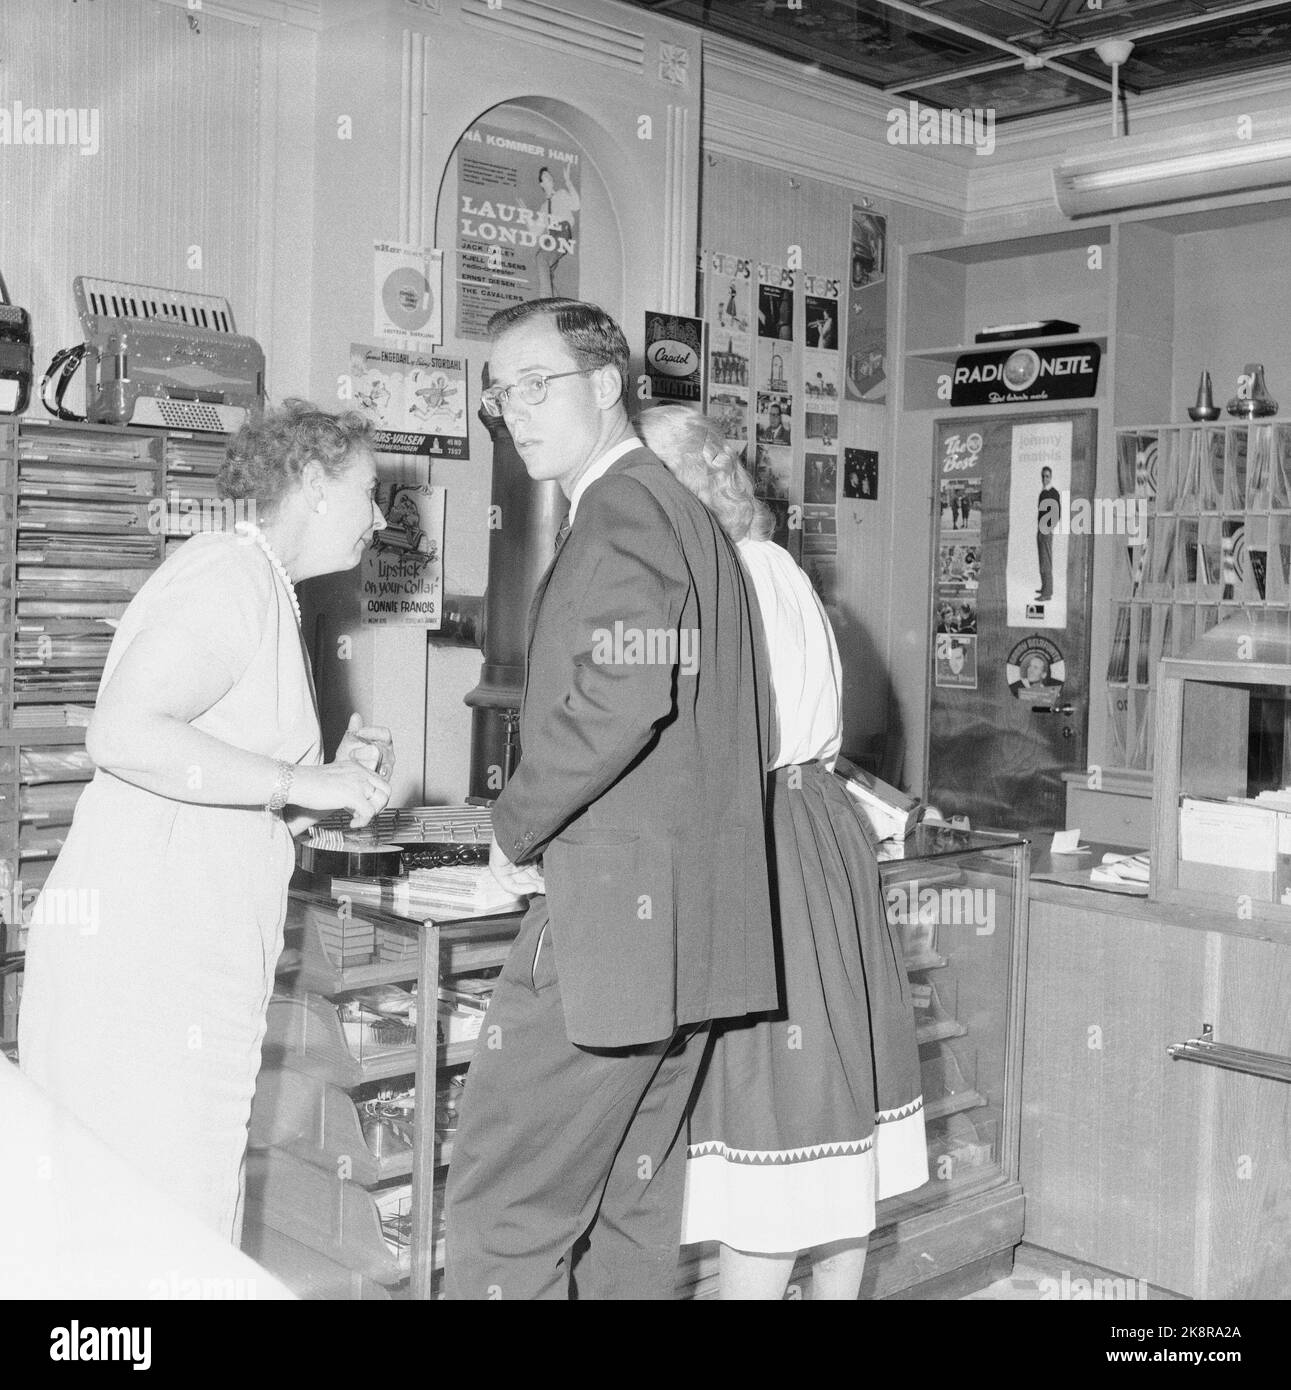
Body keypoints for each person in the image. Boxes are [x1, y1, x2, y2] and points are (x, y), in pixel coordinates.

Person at [444, 300, 777, 1301]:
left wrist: (512, 825)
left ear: (604, 383)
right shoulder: (676, 508)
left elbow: (624, 692)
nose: (514, 410)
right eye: (500, 394)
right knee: (631, 1224)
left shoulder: (625, 508)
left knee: (505, 1214)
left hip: (610, 941)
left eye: (534, 383)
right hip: (684, 949)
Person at [19, 399, 394, 1240]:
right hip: (147, 968)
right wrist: (299, 776)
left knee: (165, 1219)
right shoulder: (228, 572)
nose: (377, 516)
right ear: (311, 483)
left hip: (181, 958)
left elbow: (212, 778)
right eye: (368, 491)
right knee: (154, 1228)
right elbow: (122, 733)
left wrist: (313, 788)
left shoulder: (262, 583)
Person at [638, 406, 928, 1301]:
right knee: (829, 1117)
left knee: (773, 1125)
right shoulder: (774, 567)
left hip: (763, 850)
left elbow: (714, 749)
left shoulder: (730, 581)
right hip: (812, 834)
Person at [532, 163, 580, 300]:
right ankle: (558, 311)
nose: (550, 176)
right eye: (546, 176)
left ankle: (545, 300)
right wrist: (525, 217)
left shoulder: (561, 194)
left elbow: (576, 205)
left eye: (550, 175)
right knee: (548, 274)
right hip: (551, 237)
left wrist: (568, 181)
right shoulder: (543, 207)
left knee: (541, 258)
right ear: (542, 184)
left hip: (562, 231)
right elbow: (535, 231)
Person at [1036, 466, 1060, 601]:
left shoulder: (1053, 492)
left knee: (1046, 561)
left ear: (1050, 477)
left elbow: (1057, 513)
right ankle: (1044, 587)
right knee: (1042, 560)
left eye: (1047, 476)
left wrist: (1049, 527)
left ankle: (1047, 593)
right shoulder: (1043, 493)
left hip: (1046, 530)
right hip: (1040, 529)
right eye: (1043, 476)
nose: (1045, 479)